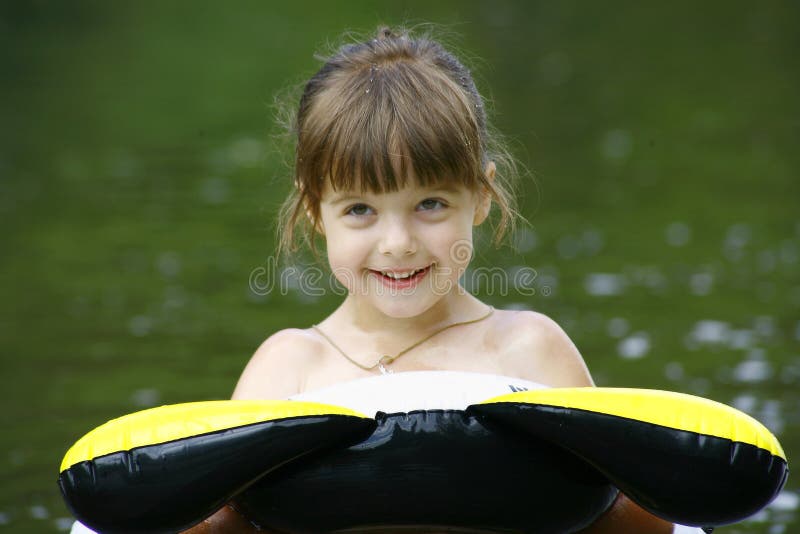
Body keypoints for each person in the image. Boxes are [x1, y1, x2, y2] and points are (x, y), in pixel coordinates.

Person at [186, 26, 674, 534]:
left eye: (430, 204)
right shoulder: (287, 369)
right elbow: (222, 520)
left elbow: (627, 517)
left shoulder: (531, 352)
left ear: (481, 196)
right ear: (314, 208)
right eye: (359, 209)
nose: (398, 242)